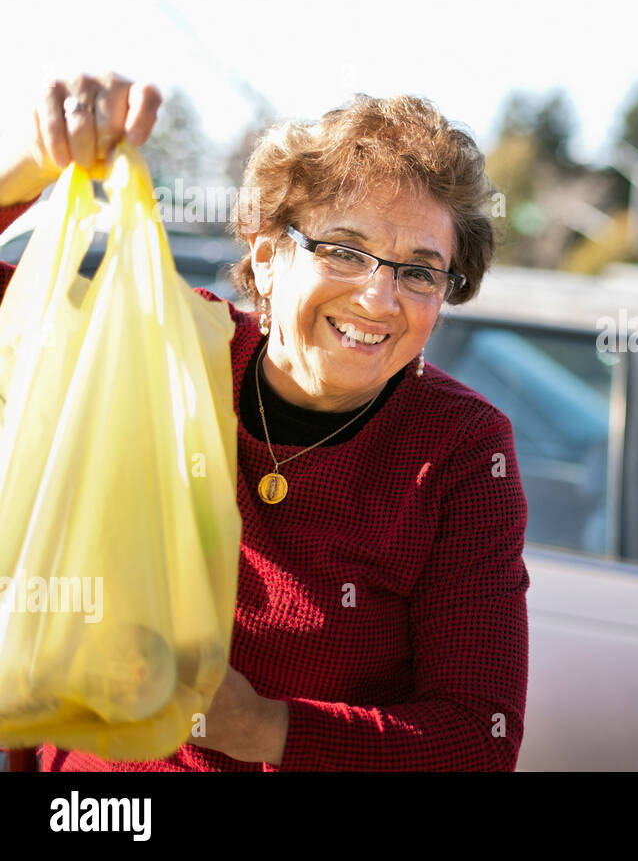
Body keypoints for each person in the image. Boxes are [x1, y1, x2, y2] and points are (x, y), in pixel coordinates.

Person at [0, 73, 529, 771]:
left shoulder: (462, 449)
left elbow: (476, 738)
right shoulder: (164, 347)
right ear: (267, 257)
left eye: (420, 271)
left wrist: (259, 727)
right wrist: (28, 166)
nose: (378, 297)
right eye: (344, 250)